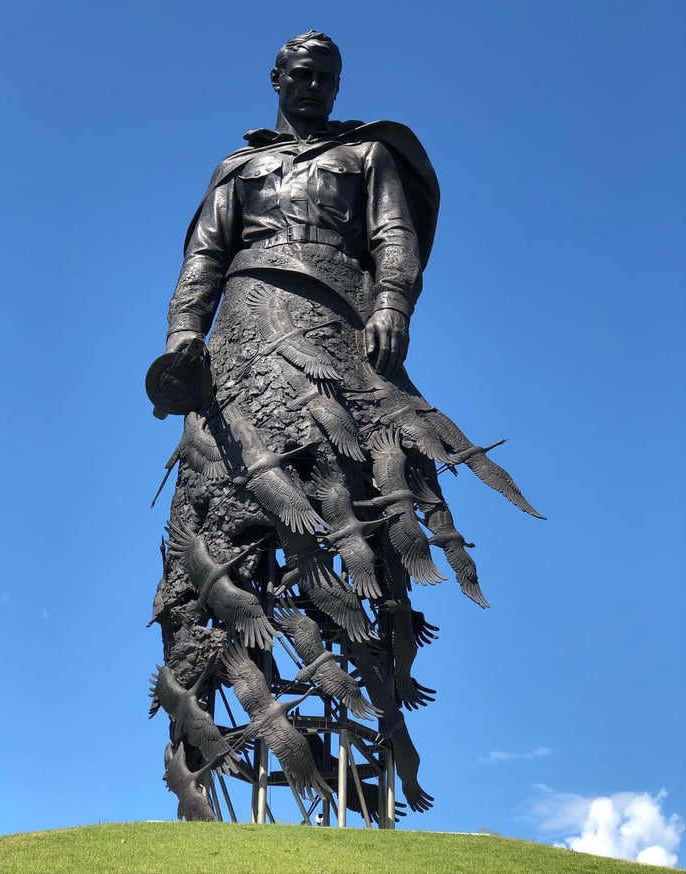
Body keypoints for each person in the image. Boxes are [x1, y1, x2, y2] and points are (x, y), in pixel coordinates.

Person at [149, 31, 540, 820]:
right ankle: (222, 762)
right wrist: (180, 339)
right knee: (226, 514)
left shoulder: (367, 156)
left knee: (355, 483)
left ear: (338, 85)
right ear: (276, 79)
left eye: (327, 78)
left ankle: (367, 732)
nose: (314, 89)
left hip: (337, 329)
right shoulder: (240, 167)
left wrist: (393, 304)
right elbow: (204, 256)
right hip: (245, 333)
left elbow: (395, 239)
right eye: (302, 76)